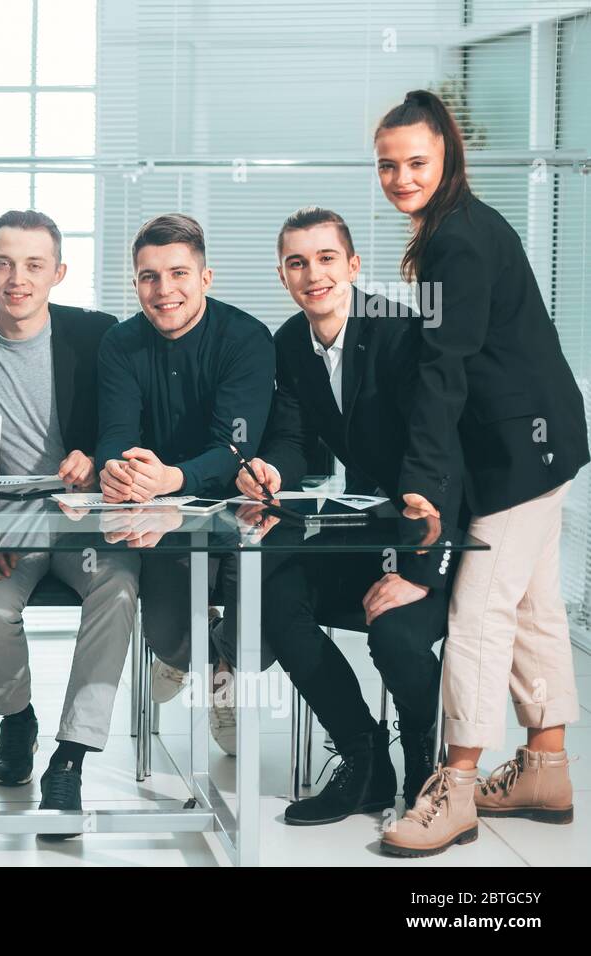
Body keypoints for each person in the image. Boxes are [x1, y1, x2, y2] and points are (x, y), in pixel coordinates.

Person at [373, 90, 586, 857]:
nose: (401, 178)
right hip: (541, 442)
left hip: (521, 451)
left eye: (416, 163)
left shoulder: (456, 240)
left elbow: (444, 368)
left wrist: (422, 482)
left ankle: (456, 786)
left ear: (447, 157)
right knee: (532, 608)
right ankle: (546, 768)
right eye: (389, 165)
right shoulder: (455, 227)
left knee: (480, 612)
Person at [236, 206, 464, 826]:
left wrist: (419, 570)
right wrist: (271, 471)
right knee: (275, 596)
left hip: (436, 530)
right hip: (369, 526)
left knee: (394, 633)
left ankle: (421, 759)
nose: (313, 274)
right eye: (297, 262)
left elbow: (444, 453)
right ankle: (364, 756)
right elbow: (290, 435)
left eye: (326, 258)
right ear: (283, 275)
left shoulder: (402, 333)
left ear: (354, 266)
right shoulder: (289, 342)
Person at [0, 209, 138, 814]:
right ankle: (17, 720)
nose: (18, 278)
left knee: (117, 590)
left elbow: (125, 424)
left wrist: (94, 458)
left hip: (83, 519)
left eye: (34, 265)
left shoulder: (98, 336)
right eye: (5, 263)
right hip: (1, 522)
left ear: (58, 272)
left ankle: (71, 754)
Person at [95, 213, 275, 755]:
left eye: (178, 273)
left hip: (240, 507)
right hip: (157, 515)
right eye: (149, 277)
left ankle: (221, 666)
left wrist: (174, 477)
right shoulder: (119, 344)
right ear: (135, 284)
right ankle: (187, 657)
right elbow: (114, 436)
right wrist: (117, 469)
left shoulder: (247, 338)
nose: (164, 289)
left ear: (206, 277)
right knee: (166, 636)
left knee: (259, 641)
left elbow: (236, 446)